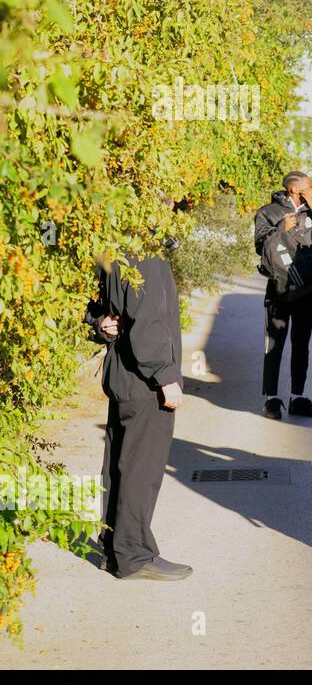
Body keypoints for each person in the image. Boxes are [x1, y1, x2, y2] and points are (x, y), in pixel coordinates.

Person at [84, 242, 190, 581]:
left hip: (123, 377)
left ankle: (112, 549)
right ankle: (134, 555)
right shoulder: (142, 252)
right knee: (140, 469)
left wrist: (98, 322)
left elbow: (86, 302)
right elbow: (147, 319)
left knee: (118, 464)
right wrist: (165, 375)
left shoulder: (109, 246)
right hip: (144, 381)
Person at [253, 172, 312, 420]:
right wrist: (280, 229)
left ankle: (297, 396)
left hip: (308, 289)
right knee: (274, 344)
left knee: (302, 344)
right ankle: (271, 398)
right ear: (293, 190)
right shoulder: (268, 212)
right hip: (280, 287)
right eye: (309, 187)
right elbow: (260, 246)